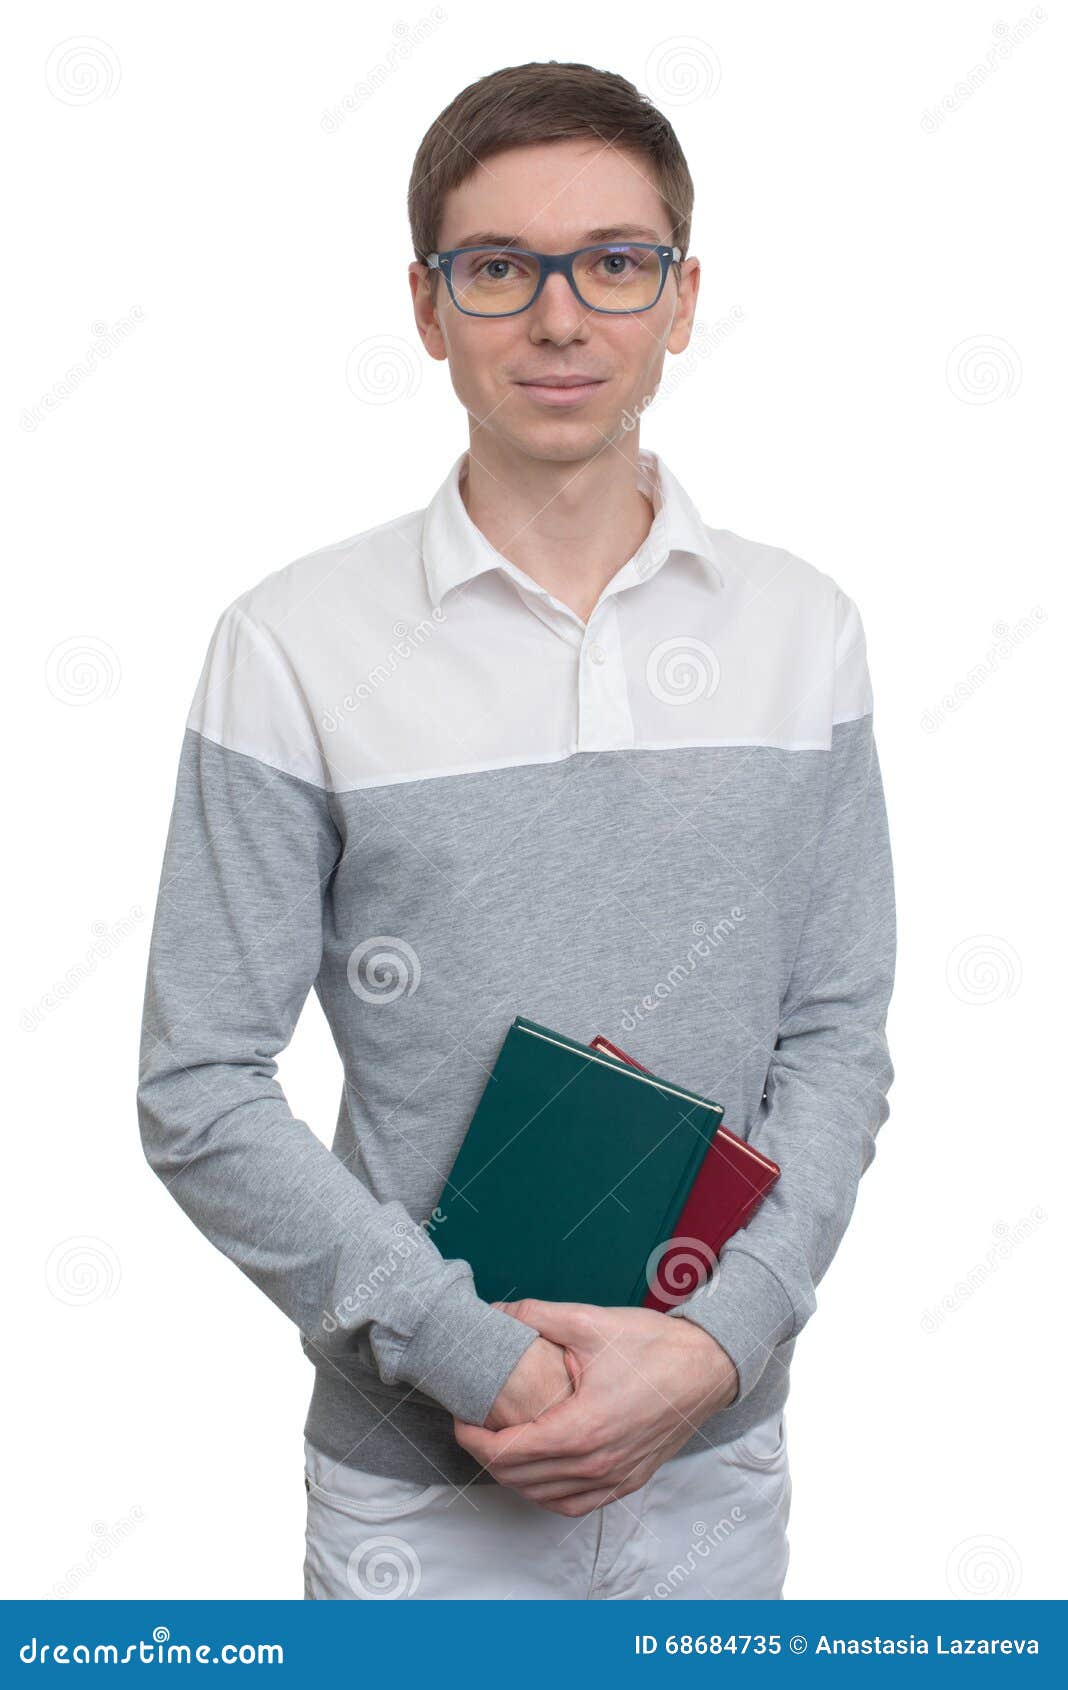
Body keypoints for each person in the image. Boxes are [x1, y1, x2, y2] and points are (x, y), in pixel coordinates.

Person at [137, 59, 896, 1601]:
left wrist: (713, 1344)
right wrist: (480, 1360)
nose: (563, 318)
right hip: (422, 1492)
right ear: (429, 309)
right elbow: (199, 1084)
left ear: (682, 301)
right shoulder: (290, 644)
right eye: (501, 269)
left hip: (719, 1469)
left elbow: (833, 1038)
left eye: (617, 263)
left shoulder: (804, 629)